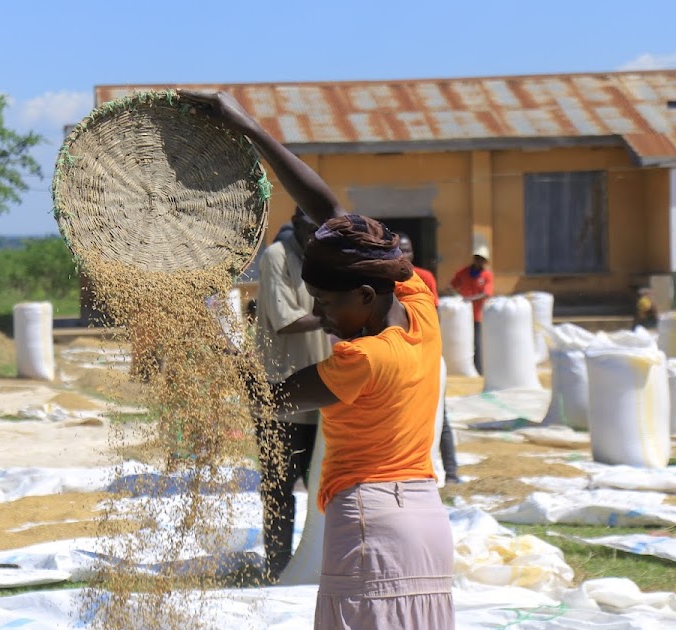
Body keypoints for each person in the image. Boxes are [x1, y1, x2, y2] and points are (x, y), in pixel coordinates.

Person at [185, 90, 454, 629]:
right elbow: (331, 213)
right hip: (426, 523)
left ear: (365, 295)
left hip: (370, 526)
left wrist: (218, 343)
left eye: (328, 305)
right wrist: (248, 127)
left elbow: (272, 400)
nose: (321, 316)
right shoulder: (417, 308)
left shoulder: (363, 359)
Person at [253, 208, 333, 579]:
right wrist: (336, 315)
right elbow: (284, 321)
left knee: (325, 489)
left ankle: (315, 566)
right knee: (279, 491)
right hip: (281, 396)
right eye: (312, 230)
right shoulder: (278, 257)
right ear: (298, 224)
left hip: (324, 393)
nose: (317, 237)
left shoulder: (324, 260)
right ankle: (277, 568)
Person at [397, 233, 460, 485]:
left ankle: (452, 471)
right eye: (399, 251)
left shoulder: (424, 278)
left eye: (408, 251)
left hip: (423, 354)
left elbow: (432, 317)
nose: (404, 256)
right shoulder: (383, 280)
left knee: (439, 414)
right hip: (397, 357)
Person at [450, 247, 494, 375]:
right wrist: (457, 296)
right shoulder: (463, 272)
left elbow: (486, 293)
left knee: (477, 342)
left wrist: (469, 299)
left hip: (478, 315)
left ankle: (479, 369)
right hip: (462, 316)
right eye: (477, 258)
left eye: (481, 260)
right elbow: (451, 286)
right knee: (462, 341)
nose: (478, 261)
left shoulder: (487, 275)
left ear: (485, 262)